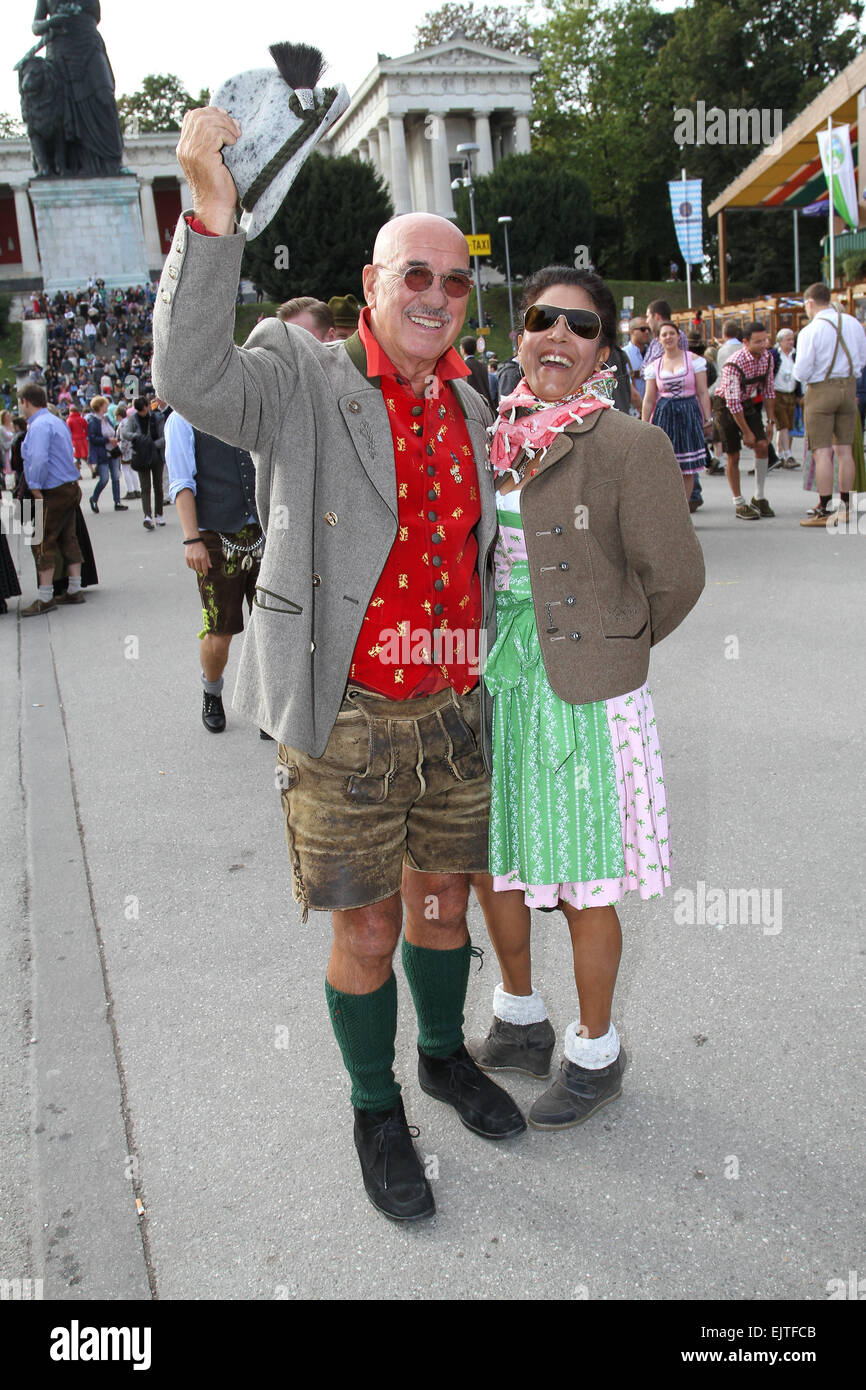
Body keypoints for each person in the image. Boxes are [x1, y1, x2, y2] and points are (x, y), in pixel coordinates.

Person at [153, 102, 525, 1225]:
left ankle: (439, 1055)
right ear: (370, 284)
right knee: (365, 923)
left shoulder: (467, 399)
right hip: (349, 709)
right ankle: (374, 1106)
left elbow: (481, 555)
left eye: (455, 282)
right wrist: (211, 221)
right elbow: (187, 375)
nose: (434, 296)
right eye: (413, 273)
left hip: (454, 700)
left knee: (443, 903)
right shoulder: (299, 376)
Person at [467, 267, 704, 1127]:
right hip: (504, 680)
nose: (557, 337)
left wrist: (609, 650)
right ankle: (520, 1018)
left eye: (581, 326)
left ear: (604, 348)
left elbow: (675, 579)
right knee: (497, 862)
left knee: (581, 882)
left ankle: (595, 1050)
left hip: (587, 695)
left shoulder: (629, 446)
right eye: (542, 320)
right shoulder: (490, 434)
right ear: (518, 332)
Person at [164, 410, 264, 734]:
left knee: (274, 626)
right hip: (214, 537)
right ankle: (212, 692)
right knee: (221, 631)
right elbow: (182, 483)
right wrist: (192, 539)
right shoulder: (181, 419)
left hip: (266, 531)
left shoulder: (252, 406)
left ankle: (269, 705)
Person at [794, 282, 866, 528]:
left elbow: (801, 371)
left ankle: (825, 509)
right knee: (845, 450)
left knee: (822, 451)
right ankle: (845, 507)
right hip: (849, 387)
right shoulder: (853, 323)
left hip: (821, 390)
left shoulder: (810, 330)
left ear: (810, 302)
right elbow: (863, 359)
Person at [17, 382, 86, 615]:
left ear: (26, 401)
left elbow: (38, 459)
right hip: (69, 485)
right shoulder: (56, 421)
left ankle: (45, 597)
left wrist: (35, 486)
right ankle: (74, 588)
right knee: (68, 536)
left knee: (43, 541)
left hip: (53, 489)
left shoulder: (38, 426)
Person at [641, 322, 711, 507]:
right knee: (666, 465)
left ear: (679, 336)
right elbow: (649, 399)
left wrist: (708, 419)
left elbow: (703, 392)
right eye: (664, 334)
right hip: (665, 413)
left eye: (672, 333)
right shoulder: (654, 366)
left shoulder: (694, 360)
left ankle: (684, 511)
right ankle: (669, 509)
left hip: (688, 411)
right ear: (658, 340)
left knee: (687, 468)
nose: (668, 337)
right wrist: (644, 424)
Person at [715, 321, 776, 520]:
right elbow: (732, 404)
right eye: (758, 341)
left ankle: (759, 496)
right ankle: (739, 502)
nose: (764, 344)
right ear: (745, 342)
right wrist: (746, 432)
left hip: (747, 403)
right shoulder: (734, 363)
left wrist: (771, 422)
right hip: (726, 406)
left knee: (762, 445)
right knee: (733, 454)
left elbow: (768, 391)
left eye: (765, 339)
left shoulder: (767, 358)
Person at [124, 396, 165, 529]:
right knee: (145, 487)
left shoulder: (157, 418)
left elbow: (164, 436)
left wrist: (153, 444)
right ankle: (147, 516)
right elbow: (125, 433)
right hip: (141, 455)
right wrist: (137, 437)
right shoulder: (133, 419)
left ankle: (159, 514)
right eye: (139, 411)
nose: (142, 413)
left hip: (155, 454)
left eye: (143, 409)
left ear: (148, 407)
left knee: (158, 486)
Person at [87, 395, 126, 513]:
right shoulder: (93, 421)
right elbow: (92, 438)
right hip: (102, 453)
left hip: (112, 451)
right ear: (99, 406)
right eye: (105, 405)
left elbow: (112, 431)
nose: (107, 407)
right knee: (104, 479)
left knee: (115, 477)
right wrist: (108, 440)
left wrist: (114, 439)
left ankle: (117, 502)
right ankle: (94, 498)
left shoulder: (106, 418)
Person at [770, 329, 800, 468]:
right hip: (777, 394)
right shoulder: (774, 355)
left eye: (792, 339)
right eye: (787, 339)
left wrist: (799, 394)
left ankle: (779, 454)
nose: (791, 342)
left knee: (786, 426)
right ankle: (788, 455)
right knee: (783, 425)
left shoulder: (795, 354)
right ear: (780, 341)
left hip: (791, 394)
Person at [458, 335, 494, 405]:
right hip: (486, 403)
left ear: (463, 349)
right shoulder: (482, 365)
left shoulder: (463, 366)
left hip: (473, 404)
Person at [623, 317, 651, 404]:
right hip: (633, 409)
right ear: (631, 331)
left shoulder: (653, 353)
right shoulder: (624, 354)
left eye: (648, 329)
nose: (647, 332)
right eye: (643, 329)